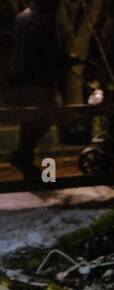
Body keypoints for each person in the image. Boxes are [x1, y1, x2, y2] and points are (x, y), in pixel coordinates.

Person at [5, 0, 67, 179]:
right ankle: (23, 155)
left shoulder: (22, 17)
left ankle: (26, 161)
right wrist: (64, 61)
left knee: (29, 121)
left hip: (19, 78)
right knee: (47, 115)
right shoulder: (45, 19)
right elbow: (49, 50)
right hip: (37, 78)